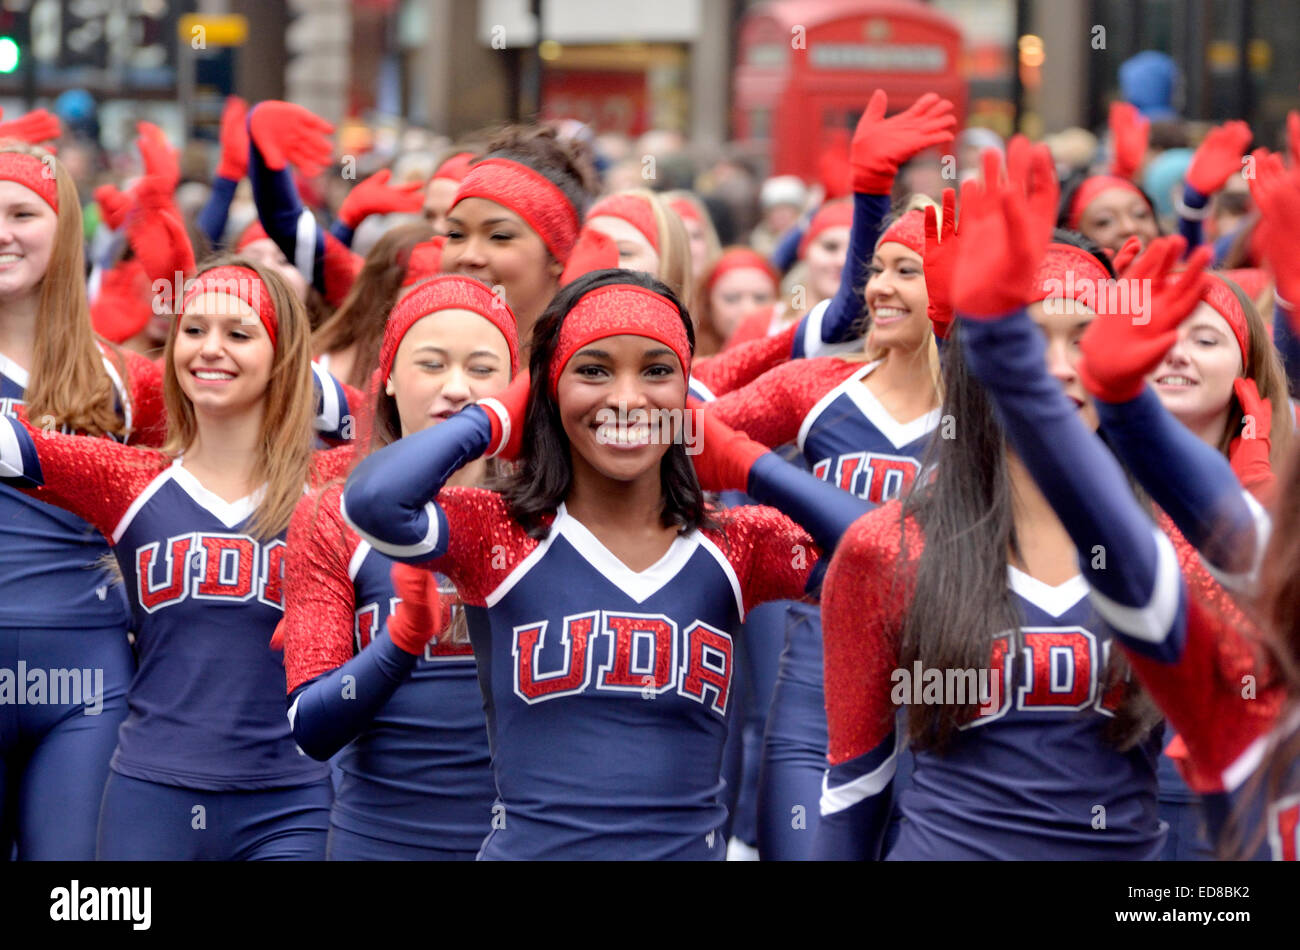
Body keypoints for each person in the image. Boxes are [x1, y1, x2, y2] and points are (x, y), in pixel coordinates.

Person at [340, 269, 870, 858]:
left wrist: (746, 462)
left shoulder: (736, 543)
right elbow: (372, 500)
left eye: (657, 371)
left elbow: (893, 560)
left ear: (687, 392)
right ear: (550, 390)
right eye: (592, 370)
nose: (625, 398)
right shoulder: (502, 532)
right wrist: (496, 418)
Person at [816, 149, 1206, 859]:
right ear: (987, 353)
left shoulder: (1173, 546)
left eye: (1085, 340)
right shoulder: (888, 547)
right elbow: (853, 787)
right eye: (1030, 338)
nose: (1059, 368)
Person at [0, 257, 342, 859]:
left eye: (238, 333)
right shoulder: (130, 482)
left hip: (291, 802)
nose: (210, 349)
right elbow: (16, 444)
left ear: (284, 356)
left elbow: (414, 408)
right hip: (150, 795)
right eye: (193, 330)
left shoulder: (335, 490)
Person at [284, 276, 516, 859]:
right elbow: (311, 730)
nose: (457, 388)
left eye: (483, 369)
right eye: (431, 364)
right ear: (386, 378)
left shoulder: (552, 516)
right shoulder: (330, 515)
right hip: (381, 841)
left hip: (533, 844)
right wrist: (402, 641)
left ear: (514, 390)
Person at [0, 144, 165, 860]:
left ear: (63, 227)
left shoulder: (122, 378)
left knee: (72, 895)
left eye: (21, 214)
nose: (2, 231)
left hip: (87, 684)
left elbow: (272, 418)